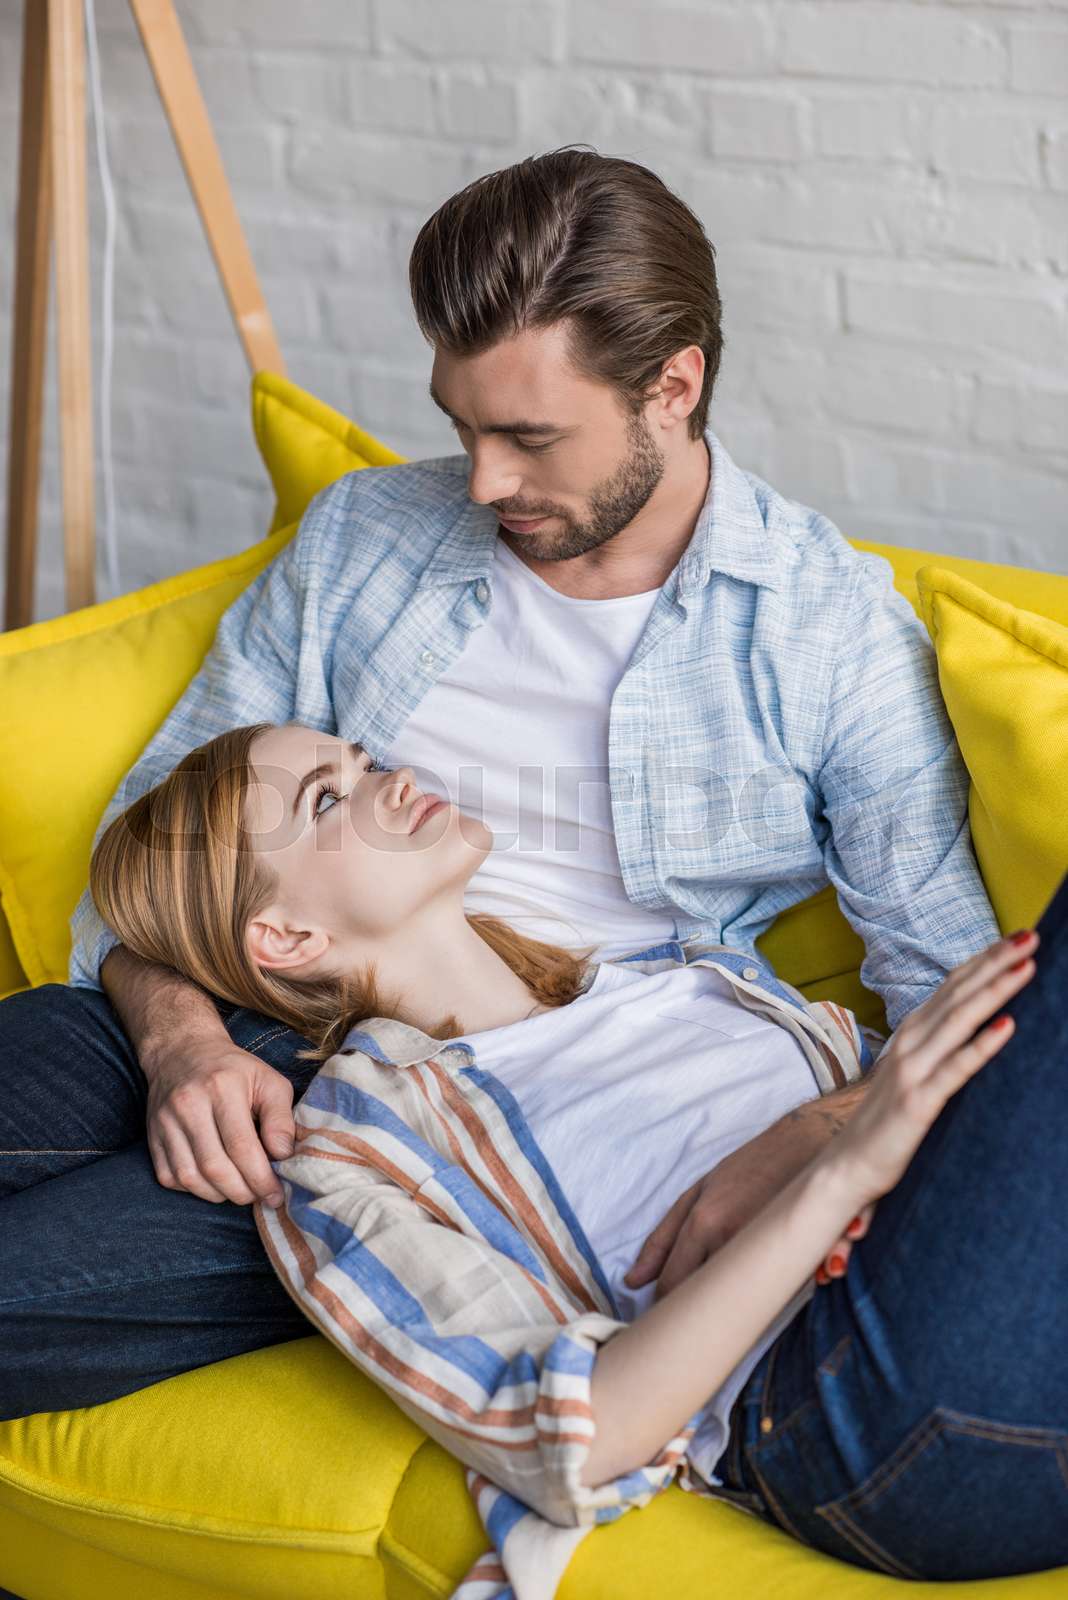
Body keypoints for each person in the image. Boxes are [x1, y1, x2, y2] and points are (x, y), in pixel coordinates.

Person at [0, 147, 999, 1419]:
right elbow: (156, 831)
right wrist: (179, 1035)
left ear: (671, 388)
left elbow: (953, 992)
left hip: (478, 1106)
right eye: (462, 424)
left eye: (528, 437)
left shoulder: (826, 633)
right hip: (247, 977)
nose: (480, 482)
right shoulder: (367, 539)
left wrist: (825, 1131)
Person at [81, 720, 1064, 1600]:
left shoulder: (688, 978)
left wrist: (838, 1122)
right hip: (848, 1407)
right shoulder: (350, 1149)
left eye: (366, 758)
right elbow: (577, 1437)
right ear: (285, 936)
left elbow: (952, 1107)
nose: (391, 780)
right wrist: (841, 1171)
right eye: (330, 798)